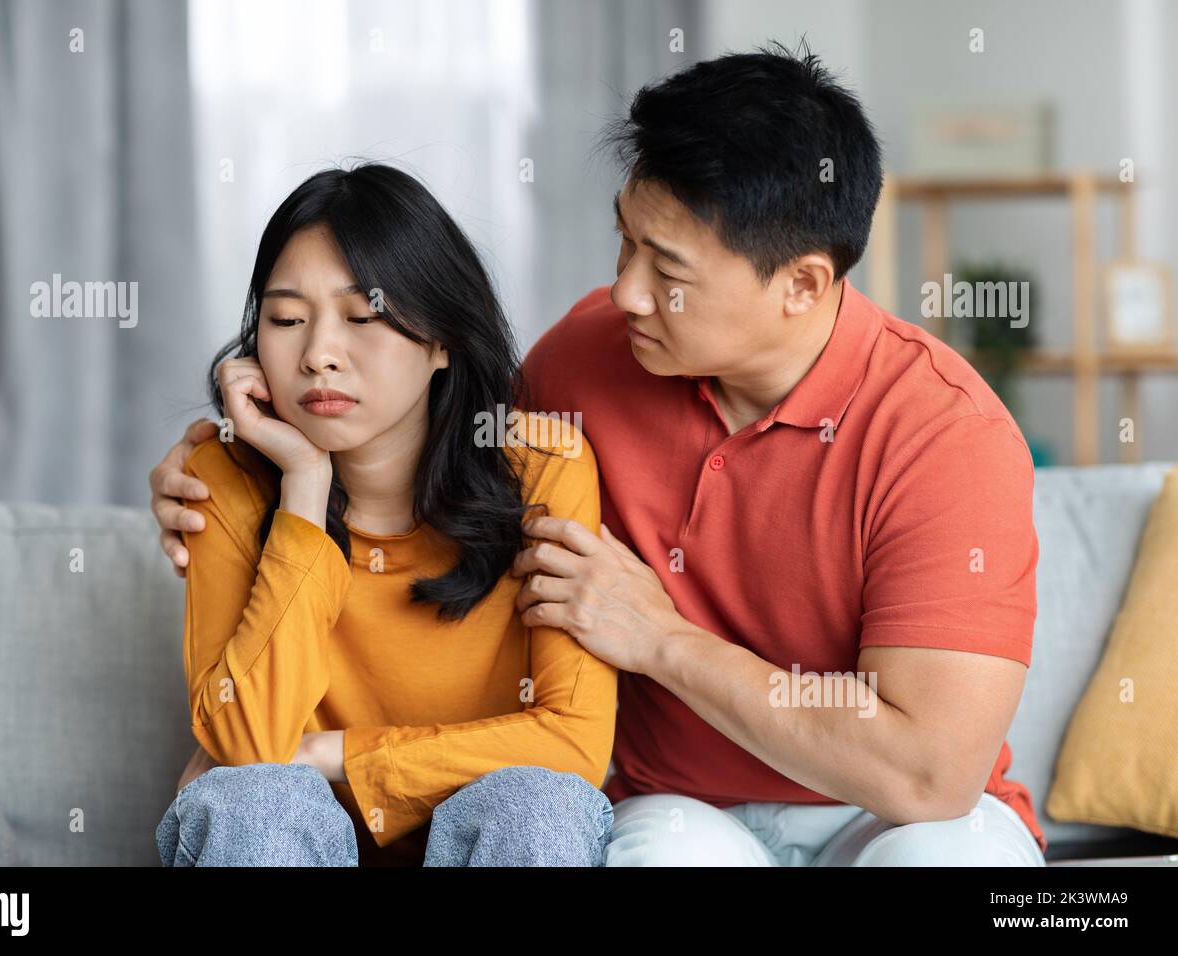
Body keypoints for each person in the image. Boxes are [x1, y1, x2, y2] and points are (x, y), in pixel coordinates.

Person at [153, 42, 1046, 866]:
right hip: (675, 806)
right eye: (625, 239)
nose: (623, 290)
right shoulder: (581, 363)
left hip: (899, 814)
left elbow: (929, 778)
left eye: (668, 270)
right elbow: (421, 444)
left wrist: (663, 641)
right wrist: (231, 462)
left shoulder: (946, 436)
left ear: (802, 283)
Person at [152, 163, 617, 867]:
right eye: (285, 320)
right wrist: (303, 484)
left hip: (489, 834)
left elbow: (573, 743)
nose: (318, 357)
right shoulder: (223, 476)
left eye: (361, 318)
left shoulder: (542, 467)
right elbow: (250, 750)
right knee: (253, 803)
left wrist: (334, 754)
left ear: (441, 340)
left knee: (539, 806)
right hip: (297, 839)